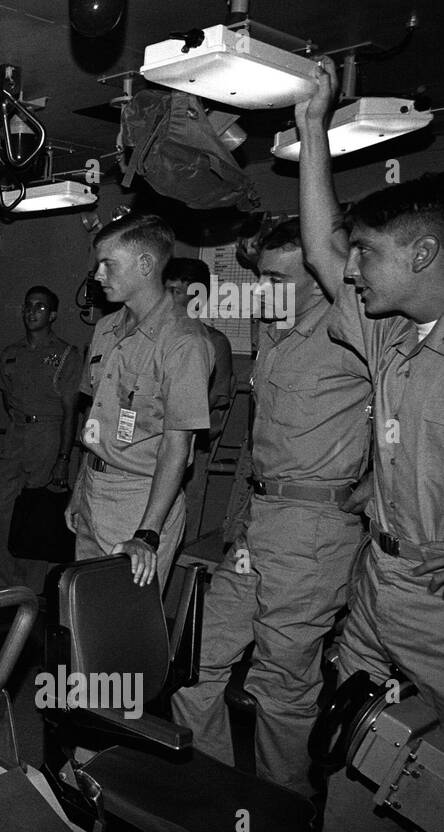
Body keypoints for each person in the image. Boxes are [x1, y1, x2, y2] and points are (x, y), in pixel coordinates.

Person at [297, 56, 444, 832]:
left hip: (436, 615)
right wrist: (313, 128)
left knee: (431, 800)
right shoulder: (390, 334)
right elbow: (322, 249)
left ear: (423, 254)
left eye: (370, 256)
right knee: (356, 792)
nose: (350, 272)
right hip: (376, 600)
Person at [170, 219, 371, 796]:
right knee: (197, 663)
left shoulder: (351, 331)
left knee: (281, 684)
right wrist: (238, 523)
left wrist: (374, 485)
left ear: (318, 278)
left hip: (313, 531)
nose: (260, 289)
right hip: (257, 525)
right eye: (260, 277)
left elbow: (405, 413)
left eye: (276, 278)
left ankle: (282, 811)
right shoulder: (275, 336)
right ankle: (209, 792)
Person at [67, 213, 213, 590]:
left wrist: (147, 534)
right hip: (94, 491)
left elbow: (176, 446)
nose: (97, 275)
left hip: (140, 499)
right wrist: (80, 490)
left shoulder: (183, 342)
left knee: (125, 630)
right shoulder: (105, 328)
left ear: (145, 265)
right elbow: (93, 420)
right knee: (83, 619)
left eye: (107, 264)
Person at [0, 285, 81, 590]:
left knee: (37, 511)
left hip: (48, 436)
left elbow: (71, 412)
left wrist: (63, 458)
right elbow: (7, 398)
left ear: (53, 314)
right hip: (17, 435)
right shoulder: (11, 353)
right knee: (2, 509)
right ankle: (4, 582)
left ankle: (32, 587)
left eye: (40, 307)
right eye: (28, 306)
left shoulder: (65, 354)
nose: (32, 312)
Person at [164, 257, 236, 439]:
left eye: (176, 292)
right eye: (165, 291)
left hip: (190, 437)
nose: (167, 299)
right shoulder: (154, 336)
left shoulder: (214, 342)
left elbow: (208, 402)